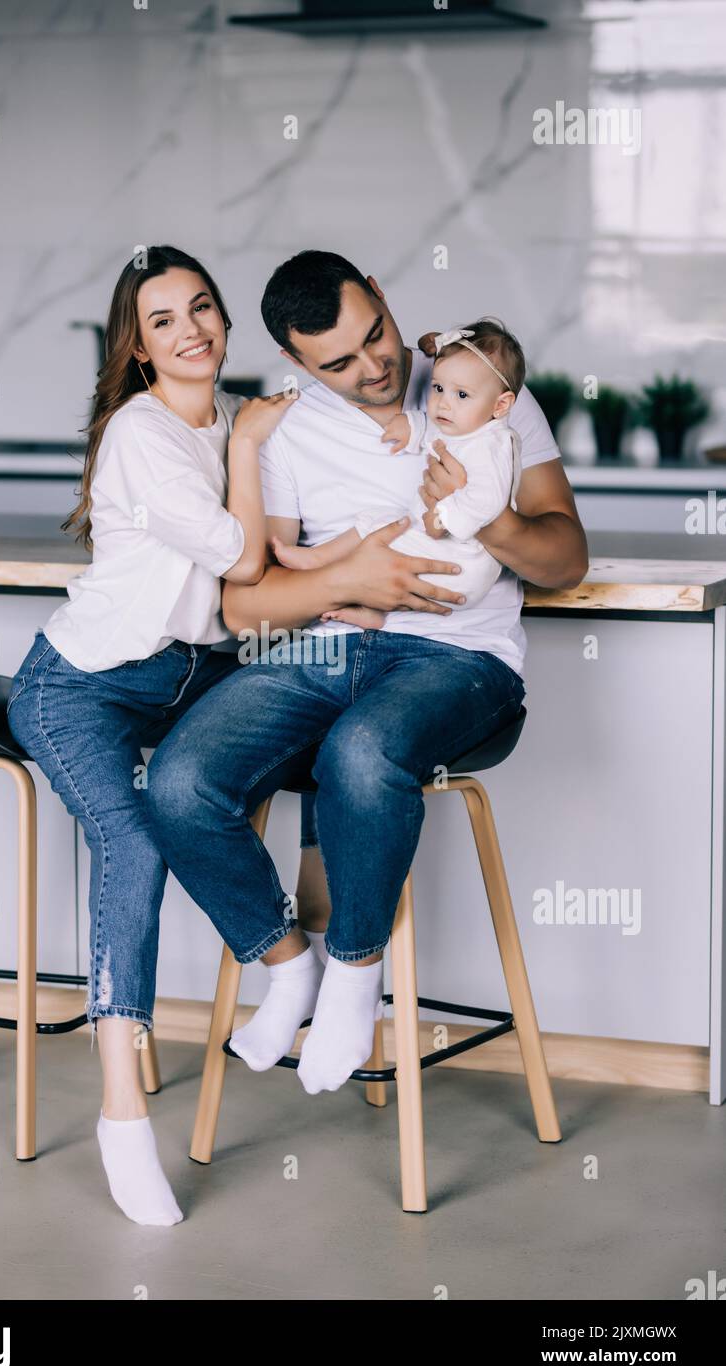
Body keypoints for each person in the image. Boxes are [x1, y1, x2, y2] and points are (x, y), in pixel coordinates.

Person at [143, 249, 588, 1097]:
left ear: (381, 298)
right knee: (178, 778)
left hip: (459, 658)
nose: (374, 367)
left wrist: (483, 519)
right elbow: (246, 611)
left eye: (375, 337)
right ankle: (287, 965)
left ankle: (354, 973)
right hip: (324, 646)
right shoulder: (283, 429)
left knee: (359, 751)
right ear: (296, 364)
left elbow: (565, 558)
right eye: (338, 363)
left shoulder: (482, 384)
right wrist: (347, 581)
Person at [6, 244, 298, 1226]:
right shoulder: (145, 434)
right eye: (166, 318)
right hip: (79, 689)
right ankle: (122, 1113)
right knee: (130, 838)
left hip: (187, 679)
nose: (193, 330)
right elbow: (245, 551)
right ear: (137, 345)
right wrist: (253, 453)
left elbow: (285, 549)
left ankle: (297, 968)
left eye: (204, 307)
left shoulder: (230, 419)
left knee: (308, 732)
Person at [271, 316, 525, 628]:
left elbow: (488, 499)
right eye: (438, 388)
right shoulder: (467, 425)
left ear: (501, 405)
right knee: (383, 531)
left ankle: (319, 561)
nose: (443, 404)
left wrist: (442, 518)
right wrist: (412, 425)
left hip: (462, 564)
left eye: (461, 395)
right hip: (446, 558)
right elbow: (434, 427)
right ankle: (369, 610)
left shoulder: (492, 446)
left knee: (379, 533)